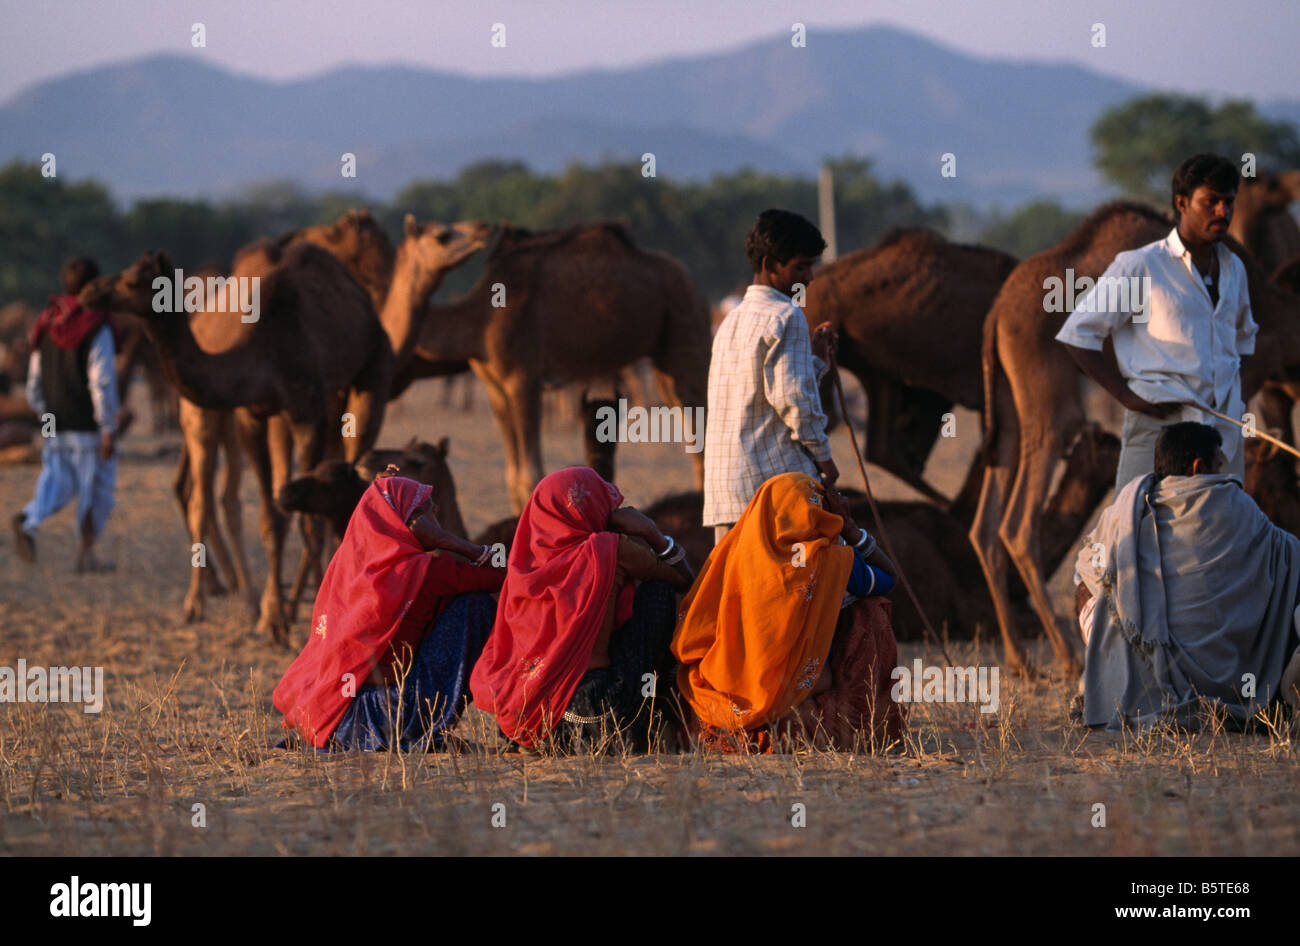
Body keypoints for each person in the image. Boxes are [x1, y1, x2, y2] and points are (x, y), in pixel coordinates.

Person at [1074, 422, 1300, 730]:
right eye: (1218, 465)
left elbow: (1088, 567)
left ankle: (1106, 677)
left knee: (1085, 581)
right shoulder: (1235, 503)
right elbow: (1289, 559)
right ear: (1198, 467)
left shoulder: (1124, 509)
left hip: (1140, 680)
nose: (1222, 475)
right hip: (1231, 687)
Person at [1056, 153, 1256, 492]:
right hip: (1158, 429)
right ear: (1182, 202)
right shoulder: (1141, 265)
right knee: (1134, 530)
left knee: (1220, 533)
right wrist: (1126, 397)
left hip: (1222, 439)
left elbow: (1244, 340)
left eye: (1229, 202)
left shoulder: (1235, 268)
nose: (1223, 212)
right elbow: (1079, 334)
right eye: (1211, 202)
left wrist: (1233, 396)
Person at [673, 472, 906, 752]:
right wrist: (852, 529)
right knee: (871, 609)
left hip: (720, 693)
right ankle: (858, 718)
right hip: (800, 691)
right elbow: (889, 578)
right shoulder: (829, 560)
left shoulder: (733, 553)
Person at [273, 471, 505, 751]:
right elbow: (502, 575)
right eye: (431, 512)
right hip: (390, 712)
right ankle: (425, 726)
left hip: (336, 707)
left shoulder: (347, 565)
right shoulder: (425, 571)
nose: (437, 517)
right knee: (475, 607)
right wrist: (457, 544)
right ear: (413, 522)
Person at [469, 467, 694, 752]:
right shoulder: (607, 549)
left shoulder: (522, 564)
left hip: (528, 719)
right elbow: (684, 579)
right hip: (597, 712)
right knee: (657, 593)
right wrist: (651, 532)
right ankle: (653, 719)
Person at [704, 209, 839, 544]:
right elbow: (795, 401)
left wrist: (816, 362)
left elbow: (766, 391)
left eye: (811, 266)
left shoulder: (731, 321)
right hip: (773, 488)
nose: (809, 278)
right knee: (825, 582)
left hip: (726, 492)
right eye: (800, 267)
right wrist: (824, 458)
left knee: (741, 593)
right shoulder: (786, 315)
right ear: (769, 265)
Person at [13, 257, 122, 572]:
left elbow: (34, 381)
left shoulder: (46, 321)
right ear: (95, 287)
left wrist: (45, 417)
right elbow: (101, 381)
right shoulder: (95, 325)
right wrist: (107, 428)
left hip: (53, 421)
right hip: (86, 424)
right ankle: (86, 554)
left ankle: (30, 520)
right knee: (96, 489)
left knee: (57, 479)